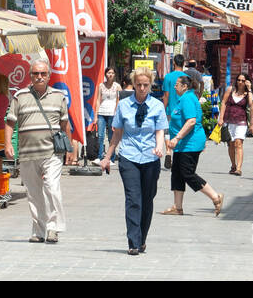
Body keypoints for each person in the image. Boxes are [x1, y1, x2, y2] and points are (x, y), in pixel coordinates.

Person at [100, 69, 168, 254]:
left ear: (151, 85)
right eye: (139, 84)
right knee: (133, 199)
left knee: (147, 200)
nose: (142, 88)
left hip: (150, 157)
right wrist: (107, 157)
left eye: (146, 85)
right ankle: (133, 242)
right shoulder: (123, 105)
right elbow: (118, 133)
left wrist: (159, 147)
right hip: (129, 156)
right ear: (133, 84)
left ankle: (142, 237)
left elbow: (160, 130)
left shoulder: (157, 106)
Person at [4, 60, 70, 243]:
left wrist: (70, 148)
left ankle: (54, 228)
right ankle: (39, 231)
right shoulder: (19, 96)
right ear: (30, 75)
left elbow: (65, 124)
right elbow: (10, 122)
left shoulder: (59, 96)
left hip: (52, 153)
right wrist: (7, 144)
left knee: (52, 189)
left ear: (49, 75)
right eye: (35, 74)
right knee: (33, 194)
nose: (39, 77)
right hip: (27, 153)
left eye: (43, 74)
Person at [159, 74, 224, 216]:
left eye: (177, 84)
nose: (175, 86)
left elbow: (191, 121)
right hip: (184, 144)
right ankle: (177, 207)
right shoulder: (183, 99)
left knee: (187, 173)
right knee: (177, 173)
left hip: (190, 143)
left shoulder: (188, 98)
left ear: (185, 86)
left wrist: (177, 138)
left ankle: (215, 196)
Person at [217, 73, 253, 175]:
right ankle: (233, 165)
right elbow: (223, 102)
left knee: (239, 143)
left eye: (243, 80)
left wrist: (249, 89)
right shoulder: (230, 89)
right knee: (231, 144)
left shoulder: (247, 93)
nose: (240, 82)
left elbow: (251, 104)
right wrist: (221, 118)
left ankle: (239, 168)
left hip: (241, 121)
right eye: (239, 80)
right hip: (229, 120)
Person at [161, 53, 188, 169]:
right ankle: (178, 155)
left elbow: (166, 95)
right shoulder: (186, 78)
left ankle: (168, 151)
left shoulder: (168, 77)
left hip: (169, 110)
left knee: (167, 132)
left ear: (174, 63)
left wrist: (163, 108)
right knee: (179, 132)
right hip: (183, 110)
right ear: (184, 63)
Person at [90, 68, 122, 164]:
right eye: (108, 73)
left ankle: (111, 158)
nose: (110, 75)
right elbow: (98, 100)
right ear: (105, 74)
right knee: (100, 135)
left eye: (112, 73)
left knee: (111, 136)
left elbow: (119, 100)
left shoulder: (117, 86)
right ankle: (99, 157)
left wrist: (117, 113)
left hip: (112, 113)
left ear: (114, 74)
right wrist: (95, 115)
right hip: (101, 113)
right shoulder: (101, 86)